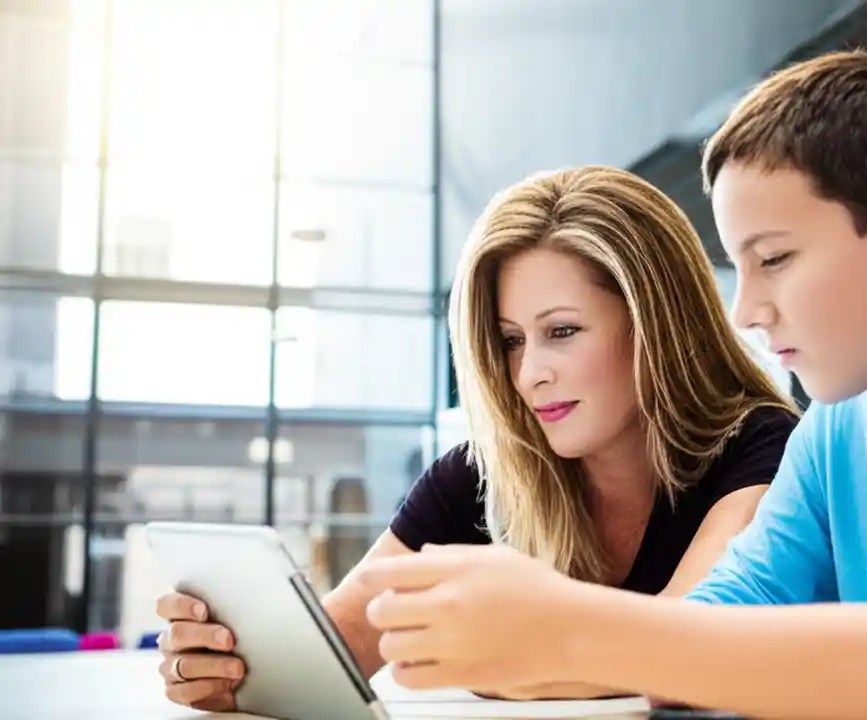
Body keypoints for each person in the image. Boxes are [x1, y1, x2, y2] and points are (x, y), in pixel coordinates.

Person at [357, 49, 867, 720]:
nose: (748, 308)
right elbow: (706, 633)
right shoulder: (834, 434)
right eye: (738, 266)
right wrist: (518, 639)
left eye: (773, 259)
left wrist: (567, 626)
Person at [153, 165, 798, 712]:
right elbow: (334, 654)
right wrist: (226, 673)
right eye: (512, 339)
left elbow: (687, 650)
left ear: (656, 324)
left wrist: (504, 661)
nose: (529, 372)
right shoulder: (482, 474)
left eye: (563, 331)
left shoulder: (763, 447)